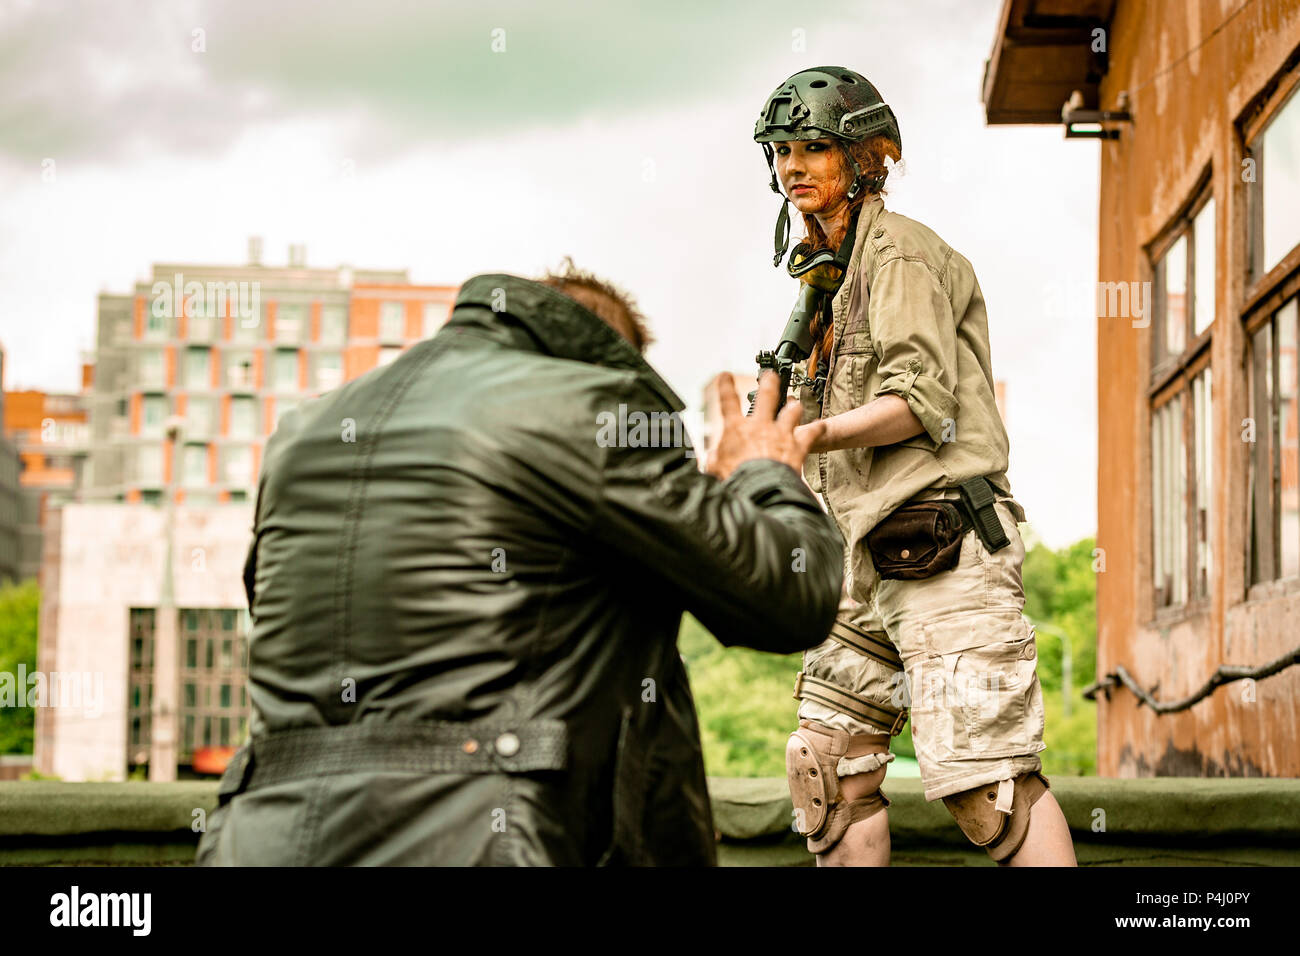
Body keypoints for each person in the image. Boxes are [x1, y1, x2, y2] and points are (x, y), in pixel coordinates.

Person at [195, 261, 845, 866]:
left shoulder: (304, 433)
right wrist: (762, 470)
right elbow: (789, 597)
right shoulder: (588, 404)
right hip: (477, 840)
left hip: (253, 839)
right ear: (606, 357)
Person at [753, 66, 1077, 866]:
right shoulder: (817, 276)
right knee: (827, 773)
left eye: (815, 148)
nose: (794, 166)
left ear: (868, 156)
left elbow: (919, 402)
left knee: (986, 790)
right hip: (859, 558)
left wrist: (807, 437)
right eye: (783, 149)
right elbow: (781, 422)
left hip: (944, 545)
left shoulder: (899, 252)